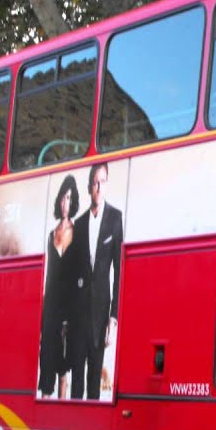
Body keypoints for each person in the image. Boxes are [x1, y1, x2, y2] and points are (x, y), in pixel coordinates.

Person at [71, 162, 122, 400]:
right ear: (89, 186)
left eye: (103, 181)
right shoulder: (78, 225)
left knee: (94, 380)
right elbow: (68, 277)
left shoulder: (115, 218)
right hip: (78, 314)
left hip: (101, 315)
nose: (99, 186)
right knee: (76, 382)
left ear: (107, 184)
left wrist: (114, 317)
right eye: (95, 182)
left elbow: (119, 270)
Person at [38, 175, 81, 398]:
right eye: (63, 198)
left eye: (70, 198)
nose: (66, 203)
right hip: (51, 301)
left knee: (63, 364)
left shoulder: (79, 232)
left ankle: (62, 407)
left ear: (73, 203)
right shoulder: (50, 235)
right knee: (47, 355)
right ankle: (45, 398)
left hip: (68, 303)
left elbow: (79, 273)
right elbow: (49, 274)